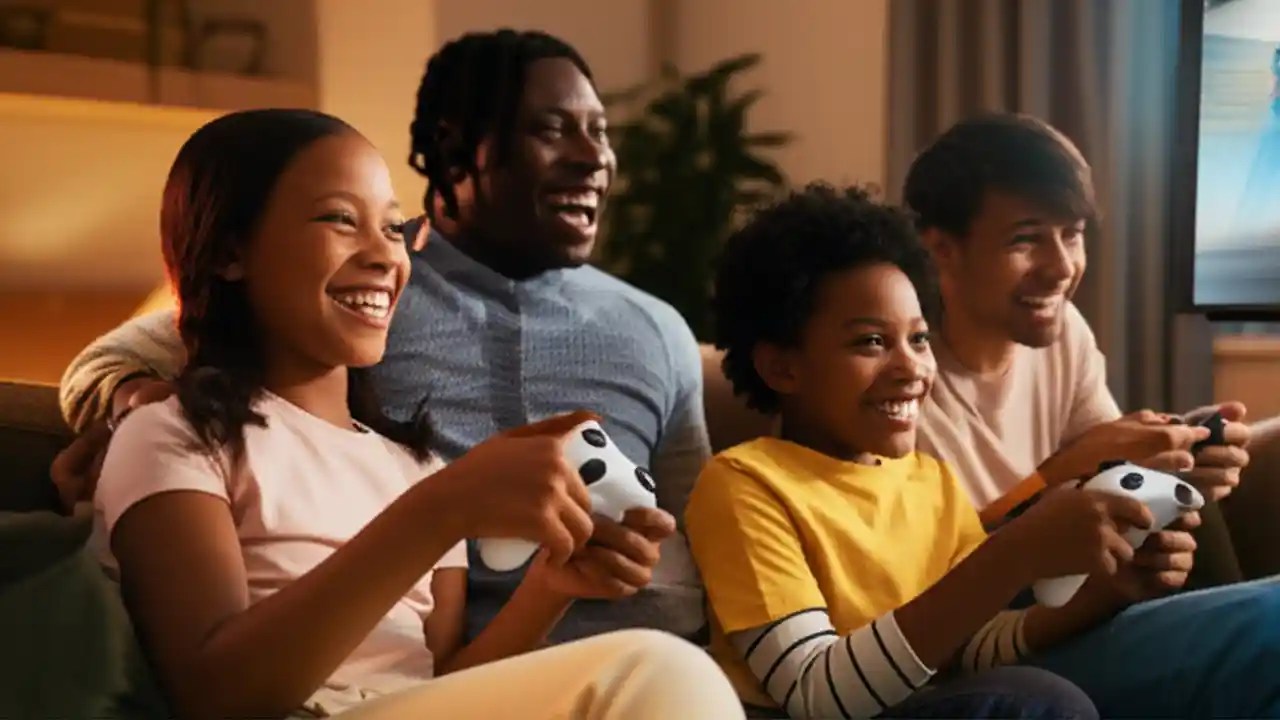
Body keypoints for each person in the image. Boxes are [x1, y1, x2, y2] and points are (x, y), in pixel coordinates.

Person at [55, 29, 709, 643]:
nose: (594, 158)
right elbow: (112, 359)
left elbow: (706, 523)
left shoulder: (657, 327)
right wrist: (133, 400)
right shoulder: (354, 298)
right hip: (460, 664)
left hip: (665, 651)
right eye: (551, 130)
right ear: (456, 148)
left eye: (599, 133)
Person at [902, 112, 1280, 717]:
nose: (1061, 267)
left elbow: (1108, 468)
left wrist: (1180, 459)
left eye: (1072, 234)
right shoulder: (895, 375)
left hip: (1083, 603)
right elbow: (918, 586)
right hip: (989, 648)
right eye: (1025, 240)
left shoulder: (1062, 334)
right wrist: (1060, 475)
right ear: (942, 249)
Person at [686, 184, 1103, 720]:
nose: (911, 369)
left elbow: (971, 644)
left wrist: (1100, 599)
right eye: (872, 343)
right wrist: (1014, 553)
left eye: (920, 339)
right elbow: (817, 693)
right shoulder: (746, 485)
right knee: (1037, 703)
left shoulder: (930, 480)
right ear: (782, 367)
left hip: (930, 704)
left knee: (1045, 688)